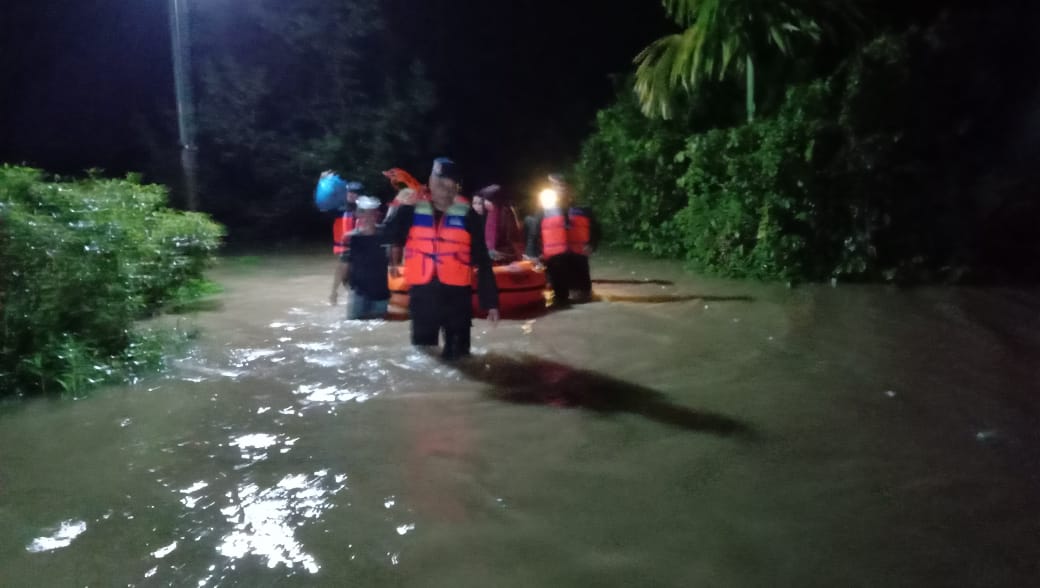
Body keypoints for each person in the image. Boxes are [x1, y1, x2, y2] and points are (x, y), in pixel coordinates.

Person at [388, 157, 499, 359]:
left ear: (457, 187)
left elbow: (483, 259)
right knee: (424, 354)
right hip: (423, 294)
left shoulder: (468, 215)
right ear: (430, 181)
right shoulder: (411, 209)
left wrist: (490, 302)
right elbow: (389, 236)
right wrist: (400, 207)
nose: (444, 189)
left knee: (460, 355)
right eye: (439, 183)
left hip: (457, 297)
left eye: (450, 185)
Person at [525, 173, 600, 306]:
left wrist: (592, 244)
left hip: (578, 259)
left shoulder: (583, 209)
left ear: (570, 189)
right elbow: (534, 233)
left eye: (562, 186)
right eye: (556, 186)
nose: (560, 189)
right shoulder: (544, 210)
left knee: (583, 297)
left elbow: (596, 230)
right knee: (560, 298)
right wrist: (533, 254)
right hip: (556, 260)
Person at [330, 196, 391, 320]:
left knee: (378, 326)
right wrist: (334, 290)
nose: (368, 218)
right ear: (357, 215)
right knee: (354, 324)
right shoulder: (350, 237)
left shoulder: (386, 234)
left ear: (376, 215)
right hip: (358, 292)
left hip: (381, 292)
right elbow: (343, 265)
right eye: (363, 213)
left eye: (371, 214)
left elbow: (395, 259)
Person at [476, 184, 524, 263]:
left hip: (500, 253)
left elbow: (493, 232)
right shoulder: (504, 210)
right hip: (505, 253)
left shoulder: (498, 212)